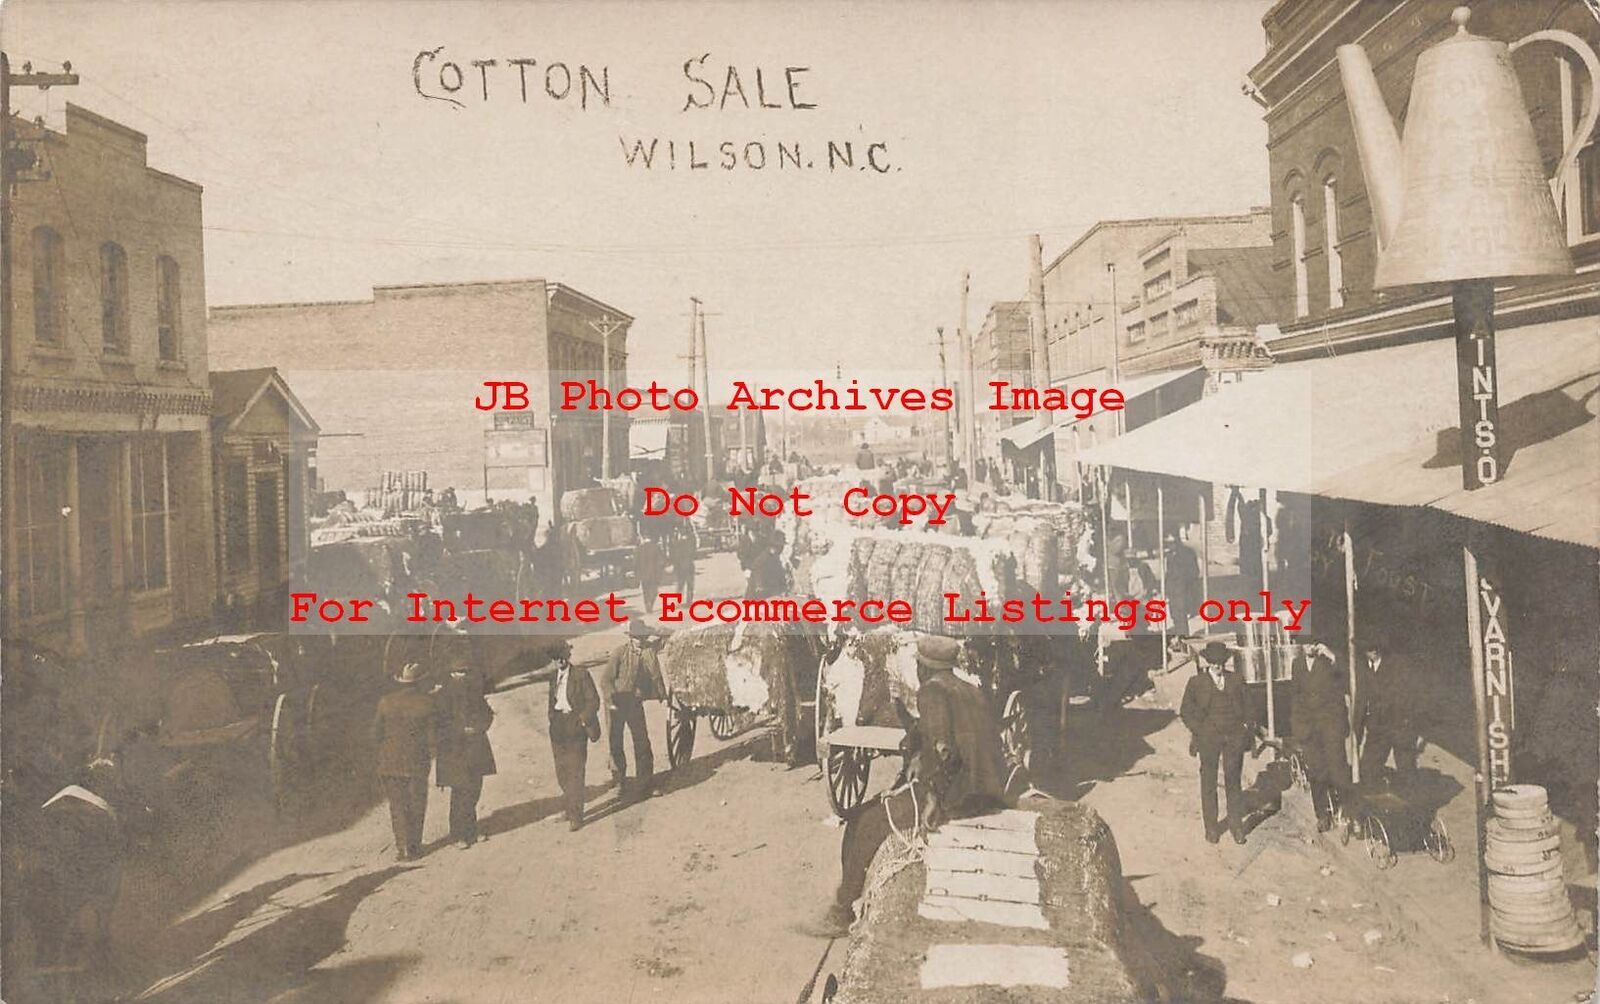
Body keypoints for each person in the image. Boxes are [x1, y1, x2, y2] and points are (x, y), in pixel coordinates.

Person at [814, 636, 1009, 937]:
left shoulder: (932, 692)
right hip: (986, 786)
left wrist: (932, 798)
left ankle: (842, 909)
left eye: (917, 663)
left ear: (924, 667)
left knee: (864, 822)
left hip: (956, 793)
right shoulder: (969, 690)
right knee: (873, 813)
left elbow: (943, 750)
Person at [1179, 641, 1253, 844]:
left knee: (1233, 781)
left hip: (1233, 737)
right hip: (1208, 738)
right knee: (1209, 782)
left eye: (1220, 662)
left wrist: (1245, 728)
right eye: (1213, 663)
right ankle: (1211, 828)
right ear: (1207, 662)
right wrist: (1199, 731)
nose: (1217, 666)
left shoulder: (1236, 680)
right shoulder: (1196, 682)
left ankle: (1236, 827)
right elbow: (1185, 711)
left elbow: (1249, 706)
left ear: (1225, 662)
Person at [373, 661, 437, 861]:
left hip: (390, 763)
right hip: (416, 762)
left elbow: (376, 734)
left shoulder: (385, 702)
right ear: (418, 683)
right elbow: (433, 737)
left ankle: (403, 848)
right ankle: (415, 847)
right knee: (417, 804)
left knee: (397, 806)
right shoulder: (427, 703)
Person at [598, 619, 666, 800]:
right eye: (636, 638)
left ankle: (645, 782)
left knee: (642, 741)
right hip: (616, 703)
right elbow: (605, 680)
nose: (639, 641)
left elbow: (665, 636)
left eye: (642, 638)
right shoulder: (619, 653)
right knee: (616, 742)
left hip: (634, 703)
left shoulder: (648, 652)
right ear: (630, 638)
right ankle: (619, 781)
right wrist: (611, 700)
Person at [1288, 639, 1351, 832]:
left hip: (1330, 725)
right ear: (1299, 645)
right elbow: (1295, 696)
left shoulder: (1328, 662)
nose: (1309, 647)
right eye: (1304, 643)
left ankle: (1348, 810)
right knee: (1316, 772)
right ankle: (1322, 814)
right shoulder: (1297, 664)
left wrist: (1332, 656)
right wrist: (1297, 727)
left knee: (1338, 768)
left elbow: (1347, 679)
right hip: (1308, 728)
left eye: (1312, 643)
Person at [434, 655, 496, 848]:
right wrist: (461, 731)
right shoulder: (443, 697)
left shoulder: (473, 692)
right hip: (455, 751)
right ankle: (458, 835)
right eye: (460, 672)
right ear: (451, 674)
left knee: (474, 791)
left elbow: (487, 714)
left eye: (466, 672)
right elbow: (439, 725)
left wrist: (479, 727)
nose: (463, 676)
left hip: (475, 748)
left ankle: (470, 830)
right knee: (460, 792)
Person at [547, 642, 603, 830]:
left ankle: (576, 816)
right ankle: (569, 807)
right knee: (561, 771)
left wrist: (582, 720)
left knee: (576, 771)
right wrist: (552, 719)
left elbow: (593, 701)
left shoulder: (581, 675)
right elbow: (551, 701)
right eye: (556, 658)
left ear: (568, 656)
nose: (560, 661)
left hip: (575, 724)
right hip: (558, 727)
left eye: (563, 657)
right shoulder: (552, 676)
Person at [1354, 636, 1420, 784]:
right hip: (1377, 728)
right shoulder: (1365, 669)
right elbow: (1361, 701)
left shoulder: (1398, 665)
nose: (1370, 653)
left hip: (1400, 727)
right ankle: (1376, 800)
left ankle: (1413, 804)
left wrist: (1408, 724)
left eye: (1372, 649)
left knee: (1406, 770)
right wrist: (1357, 732)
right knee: (1368, 769)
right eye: (1367, 650)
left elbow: (1409, 697)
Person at [1163, 530, 1202, 636]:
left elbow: (1194, 572)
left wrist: (1186, 583)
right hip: (1173, 591)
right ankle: (1180, 637)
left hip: (1183, 590)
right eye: (1167, 543)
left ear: (1176, 542)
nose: (1168, 546)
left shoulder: (1187, 553)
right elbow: (1169, 573)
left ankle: (1183, 638)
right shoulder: (1170, 555)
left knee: (1181, 616)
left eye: (1170, 543)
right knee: (1175, 615)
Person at [669, 518, 698, 602]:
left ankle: (679, 600)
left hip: (680, 565)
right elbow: (693, 551)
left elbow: (674, 553)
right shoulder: (690, 540)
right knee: (689, 583)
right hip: (688, 564)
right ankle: (688, 600)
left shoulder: (677, 541)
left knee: (680, 583)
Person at [636, 536, 666, 613]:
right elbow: (661, 561)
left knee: (645, 591)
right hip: (653, 573)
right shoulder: (655, 547)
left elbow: (636, 562)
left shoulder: (639, 548)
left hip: (643, 574)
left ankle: (647, 604)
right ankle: (650, 604)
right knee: (654, 591)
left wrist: (638, 573)